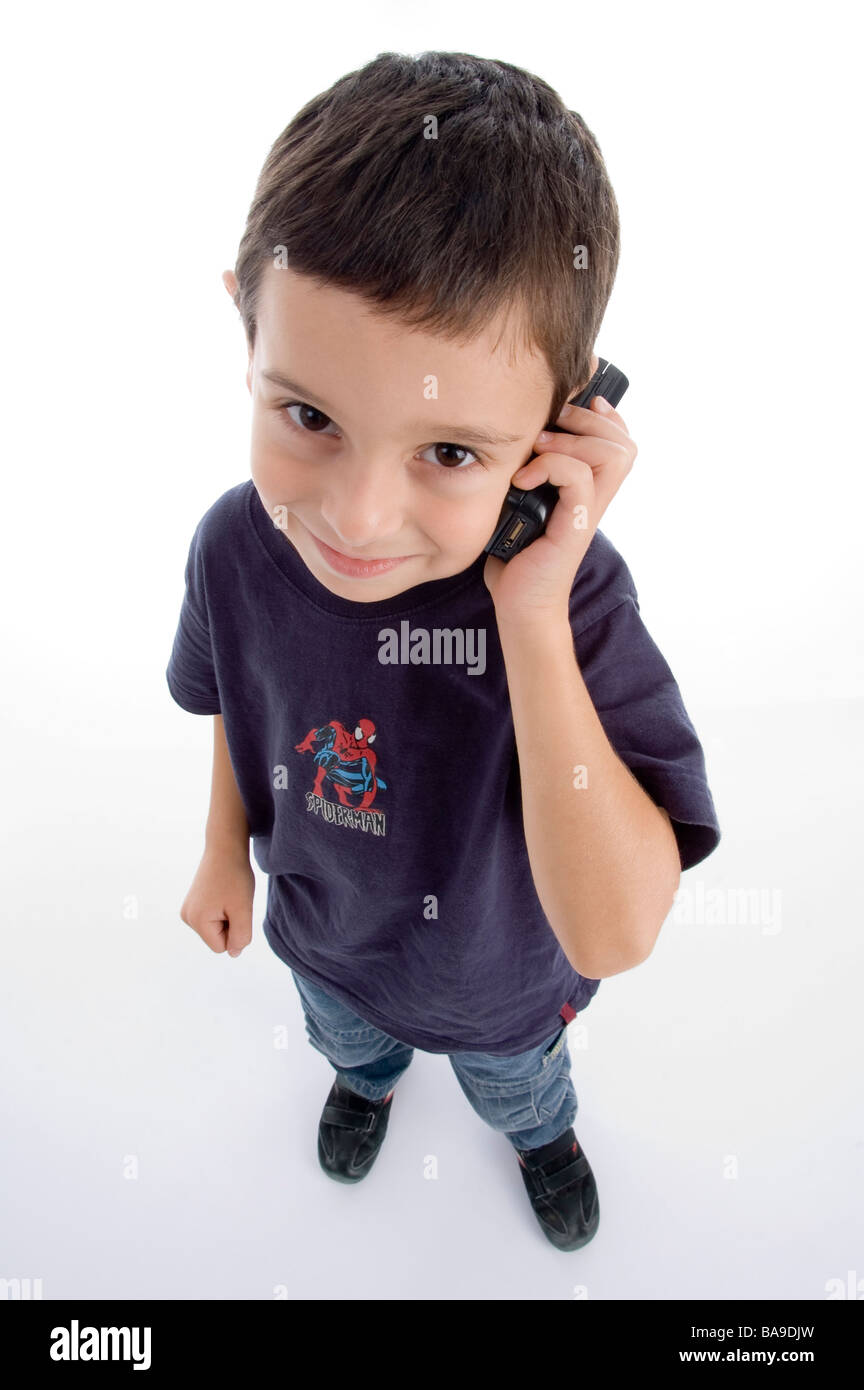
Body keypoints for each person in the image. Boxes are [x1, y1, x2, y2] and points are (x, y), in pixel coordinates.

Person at [166, 51, 721, 1253]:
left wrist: (528, 614)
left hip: (501, 996)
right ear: (245, 331)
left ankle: (537, 1134)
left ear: (558, 433)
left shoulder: (569, 605)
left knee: (518, 1086)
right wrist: (223, 854)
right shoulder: (232, 544)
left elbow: (617, 931)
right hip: (325, 946)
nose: (358, 518)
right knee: (351, 1044)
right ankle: (363, 1083)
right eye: (307, 416)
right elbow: (235, 703)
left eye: (452, 453)